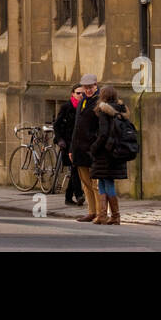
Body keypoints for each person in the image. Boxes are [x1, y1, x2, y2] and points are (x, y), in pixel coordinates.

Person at [90, 86, 129, 225]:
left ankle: (107, 216)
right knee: (105, 181)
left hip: (105, 153)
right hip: (118, 151)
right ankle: (110, 216)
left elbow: (103, 133)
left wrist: (94, 148)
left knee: (105, 182)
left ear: (103, 96)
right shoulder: (121, 110)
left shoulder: (103, 110)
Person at [70, 74, 101, 222]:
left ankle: (101, 213)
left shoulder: (100, 101)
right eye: (85, 88)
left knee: (96, 183)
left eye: (90, 87)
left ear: (96, 85)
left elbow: (101, 128)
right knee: (86, 183)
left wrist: (96, 145)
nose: (88, 90)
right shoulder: (82, 101)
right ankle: (91, 211)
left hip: (92, 148)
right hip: (80, 148)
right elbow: (76, 127)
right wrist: (71, 148)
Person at [53, 85, 85, 207]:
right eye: (78, 93)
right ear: (72, 94)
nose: (81, 95)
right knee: (75, 168)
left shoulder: (84, 107)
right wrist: (60, 140)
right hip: (67, 143)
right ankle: (79, 195)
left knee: (75, 169)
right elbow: (57, 125)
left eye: (83, 93)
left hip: (79, 143)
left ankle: (68, 197)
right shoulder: (66, 107)